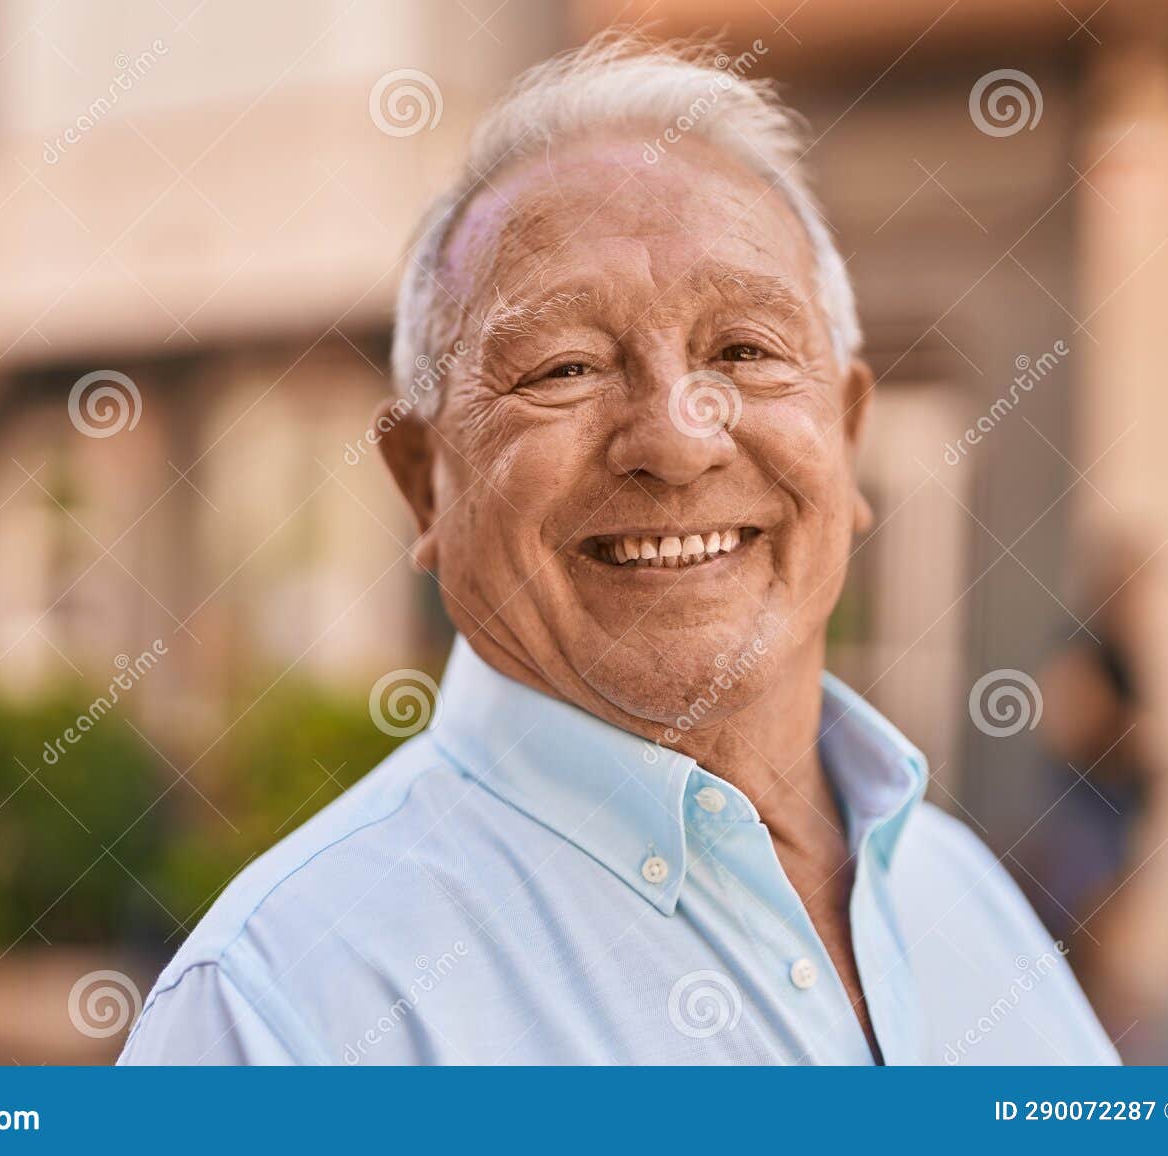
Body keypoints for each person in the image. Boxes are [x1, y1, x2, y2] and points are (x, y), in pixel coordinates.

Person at [120, 36, 1116, 1065]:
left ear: (848, 435)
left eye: (744, 350)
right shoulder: (282, 1009)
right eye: (563, 367)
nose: (678, 440)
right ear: (424, 478)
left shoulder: (958, 896)